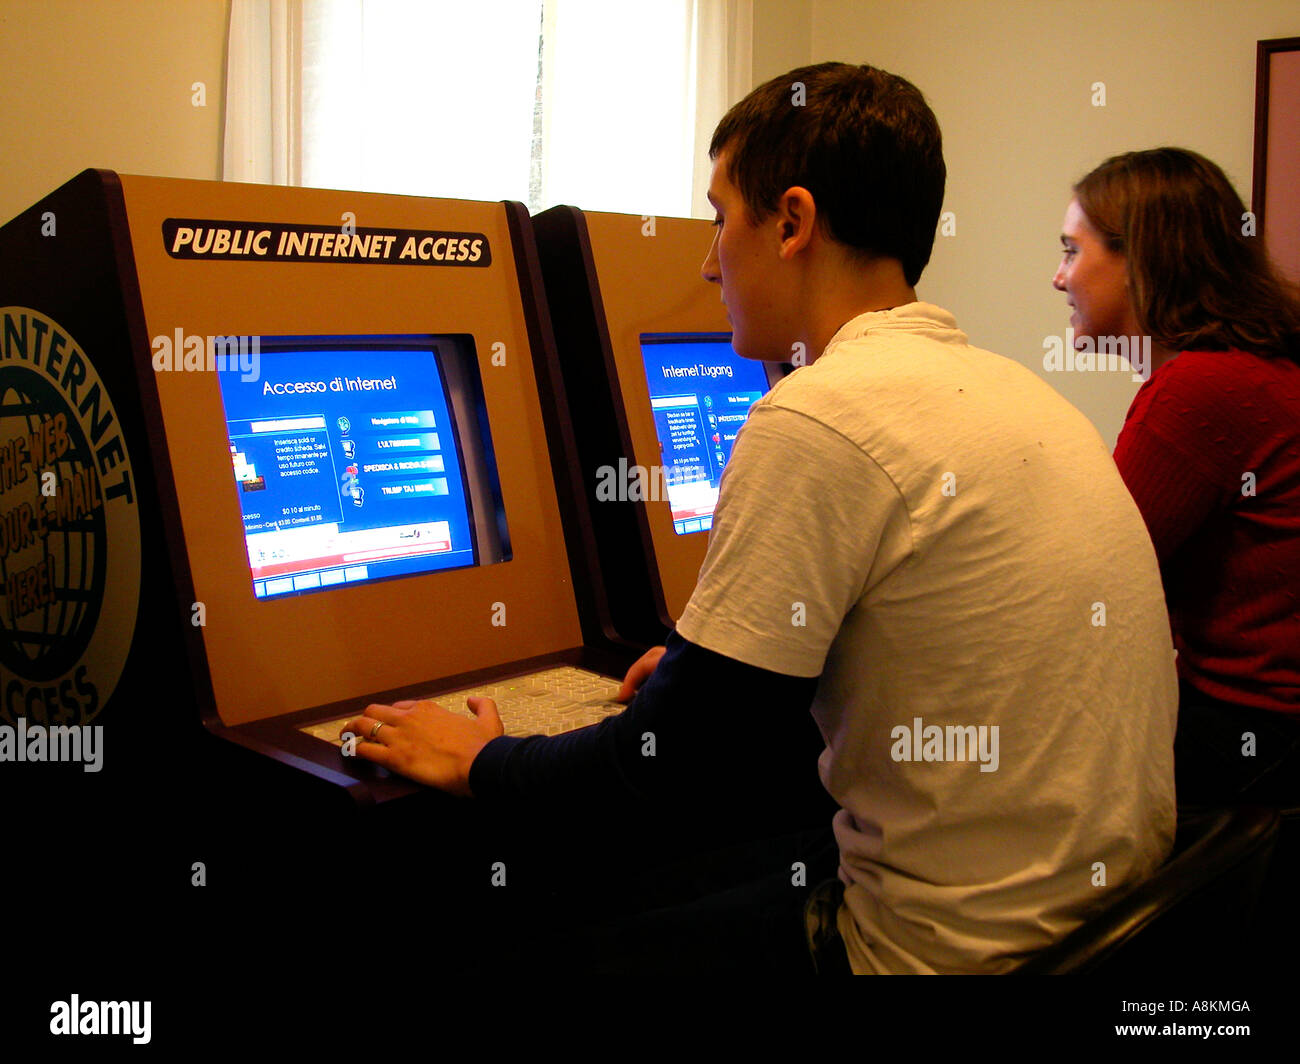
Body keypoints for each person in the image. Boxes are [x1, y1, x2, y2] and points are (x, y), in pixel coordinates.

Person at [345, 62, 1178, 974]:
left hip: (945, 956)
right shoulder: (1018, 392)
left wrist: (482, 762)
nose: (707, 263)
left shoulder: (819, 414)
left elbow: (658, 774)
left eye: (717, 218)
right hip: (1116, 933)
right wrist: (710, 679)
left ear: (791, 222)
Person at [1053, 148, 1300, 807]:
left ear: (1141, 260)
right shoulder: (1250, 367)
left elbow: (1087, 585)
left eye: (1072, 252)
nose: (1058, 277)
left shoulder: (1201, 387)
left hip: (1255, 741)